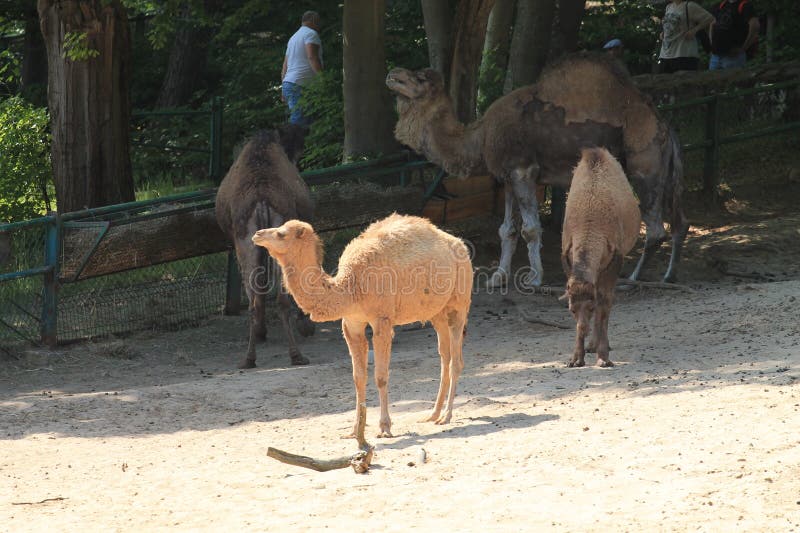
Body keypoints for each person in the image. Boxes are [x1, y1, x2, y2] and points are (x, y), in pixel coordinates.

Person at [281, 11, 323, 126]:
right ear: (314, 20)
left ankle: (293, 137)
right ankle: (292, 138)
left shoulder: (293, 38)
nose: (319, 26)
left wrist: (283, 87)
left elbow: (285, 65)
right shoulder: (311, 34)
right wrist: (323, 79)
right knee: (299, 123)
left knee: (303, 121)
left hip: (289, 83)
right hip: (300, 84)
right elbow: (312, 57)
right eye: (318, 22)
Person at [658, 0, 715, 74]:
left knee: (684, 80)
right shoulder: (668, 7)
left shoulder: (689, 6)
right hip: (666, 54)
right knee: (664, 80)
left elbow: (710, 18)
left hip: (684, 53)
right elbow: (670, 24)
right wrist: (664, 32)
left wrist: (695, 30)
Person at [709, 0, 760, 70]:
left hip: (734, 57)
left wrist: (743, 48)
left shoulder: (745, 6)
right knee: (711, 77)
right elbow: (712, 24)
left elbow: (755, 27)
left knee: (732, 77)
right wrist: (712, 43)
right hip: (715, 56)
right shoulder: (721, 5)